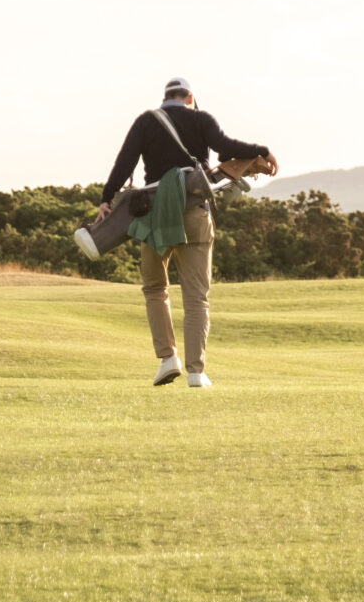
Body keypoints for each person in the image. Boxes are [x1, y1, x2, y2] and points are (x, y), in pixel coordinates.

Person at [94, 78, 275, 389]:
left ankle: (167, 359)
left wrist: (106, 199)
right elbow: (227, 148)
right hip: (194, 212)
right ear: (190, 97)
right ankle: (195, 372)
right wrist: (263, 150)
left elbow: (124, 163)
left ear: (164, 98)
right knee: (196, 297)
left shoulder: (146, 121)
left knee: (154, 289)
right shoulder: (201, 118)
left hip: (153, 215)